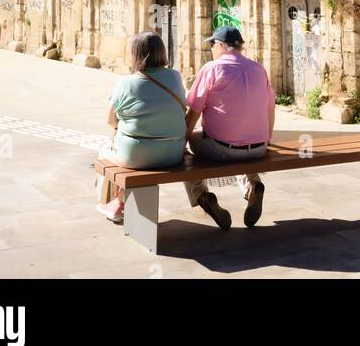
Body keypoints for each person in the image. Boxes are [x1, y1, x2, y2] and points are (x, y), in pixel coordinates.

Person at [184, 25, 276, 230]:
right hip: (259, 148)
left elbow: (193, 113)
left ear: (221, 46)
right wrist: (267, 140)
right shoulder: (258, 69)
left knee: (189, 144)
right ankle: (253, 185)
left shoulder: (212, 68)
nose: (211, 50)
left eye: (212, 45)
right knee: (238, 138)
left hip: (222, 149)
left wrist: (180, 141)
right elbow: (271, 108)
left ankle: (201, 194)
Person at [97, 31, 187, 224]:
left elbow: (110, 120)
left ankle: (113, 204)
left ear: (135, 54)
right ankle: (119, 202)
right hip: (173, 153)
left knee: (105, 149)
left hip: (136, 156)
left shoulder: (126, 83)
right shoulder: (175, 77)